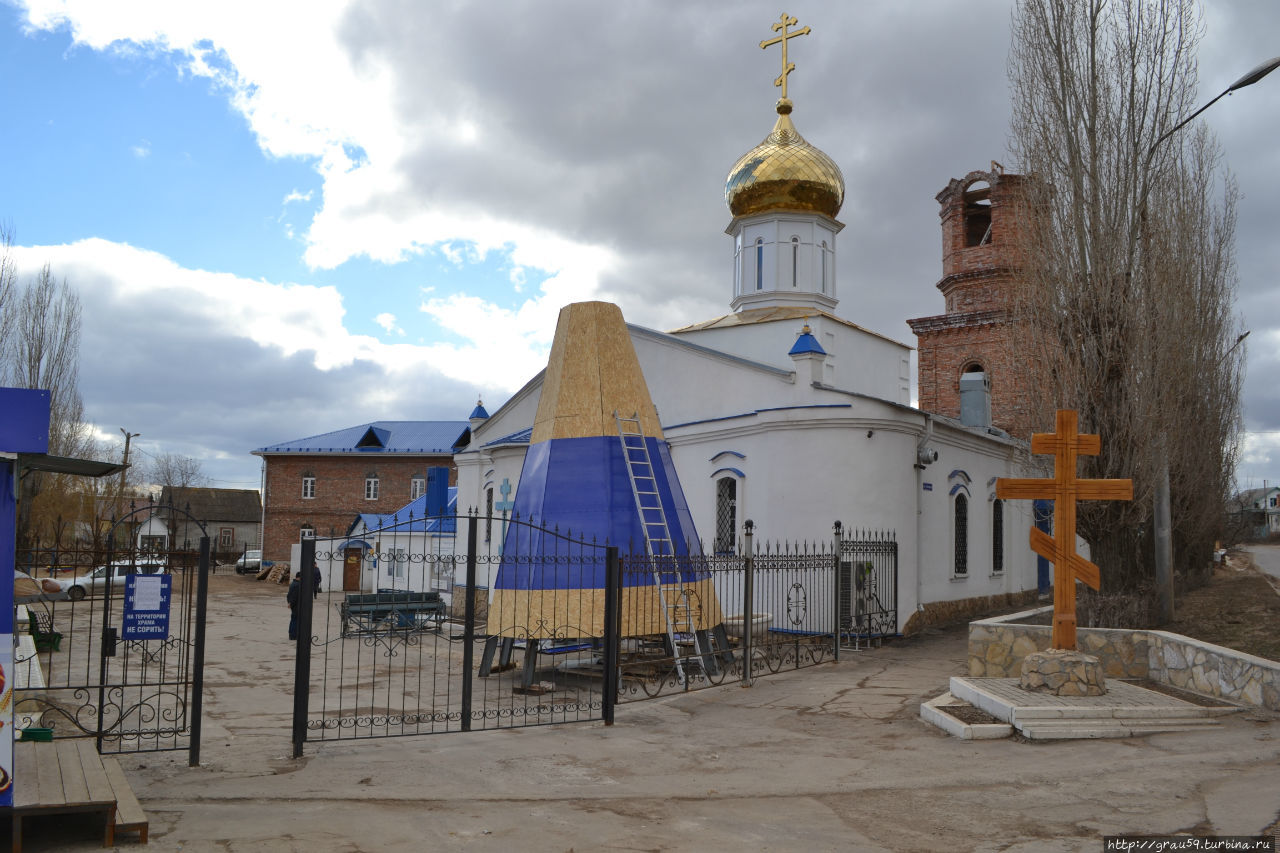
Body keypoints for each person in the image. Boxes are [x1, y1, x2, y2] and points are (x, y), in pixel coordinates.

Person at [287, 571, 301, 641]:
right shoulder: (297, 585)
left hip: (293, 605)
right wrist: (291, 603)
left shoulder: (293, 583)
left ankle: (291, 634)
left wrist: (289, 602)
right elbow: (295, 597)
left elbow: (288, 595)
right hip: (296, 605)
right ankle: (293, 635)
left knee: (293, 619)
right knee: (295, 620)